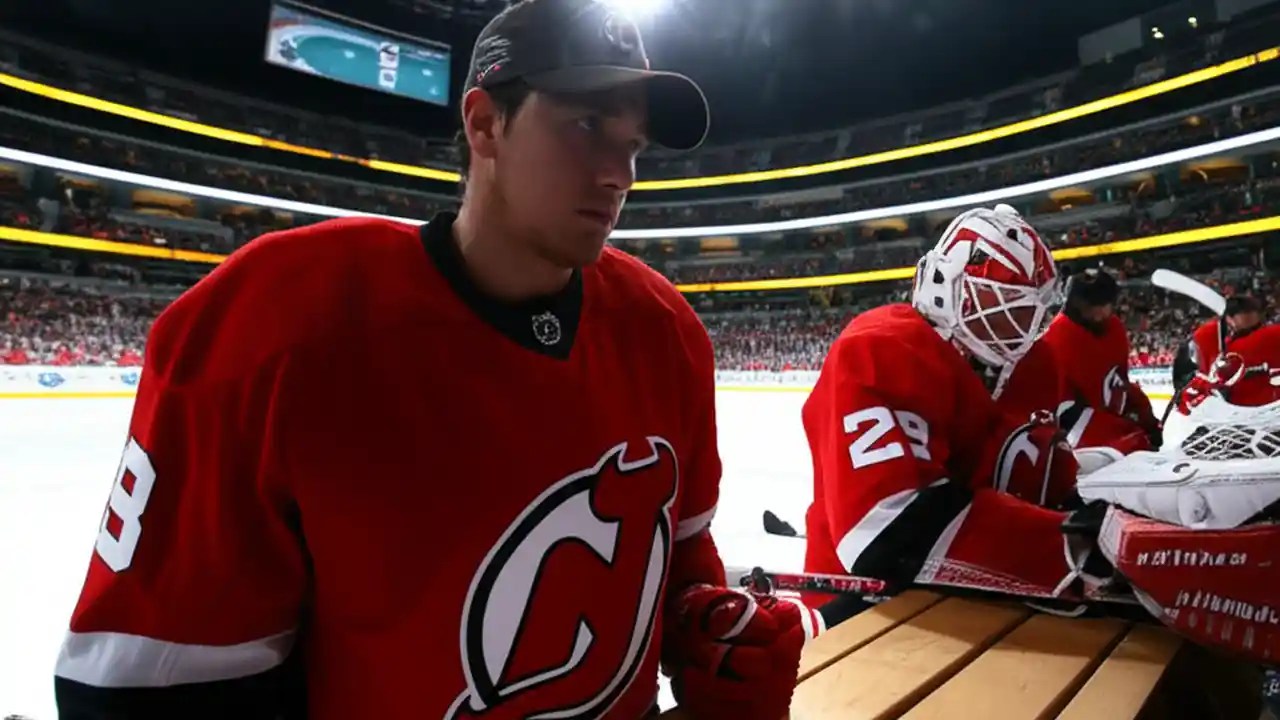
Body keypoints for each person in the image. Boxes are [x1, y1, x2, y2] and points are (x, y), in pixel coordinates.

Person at [53, 2, 811, 719]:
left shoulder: (665, 331)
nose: (621, 174)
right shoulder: (285, 322)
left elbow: (677, 560)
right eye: (586, 125)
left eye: (634, 144)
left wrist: (713, 632)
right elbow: (144, 690)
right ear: (484, 124)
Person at [801, 205, 1100, 618]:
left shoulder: (1035, 364)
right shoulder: (882, 348)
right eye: (1003, 303)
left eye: (1030, 311)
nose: (1019, 325)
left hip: (993, 597)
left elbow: (1045, 485)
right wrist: (1072, 545)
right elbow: (889, 535)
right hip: (868, 613)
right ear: (945, 282)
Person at [1039, 267, 1161, 454]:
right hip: (1081, 443)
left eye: (1103, 305)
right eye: (1091, 307)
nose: (1099, 314)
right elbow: (1066, 415)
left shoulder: (1114, 328)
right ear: (1075, 305)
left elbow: (1119, 384)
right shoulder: (1057, 341)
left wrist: (1147, 419)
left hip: (1110, 427)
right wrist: (1126, 432)